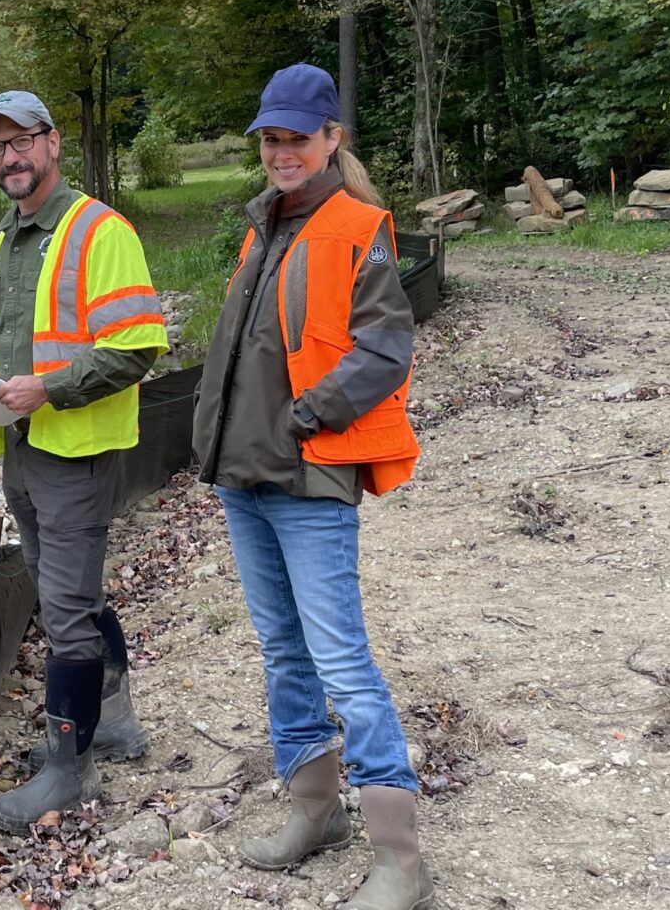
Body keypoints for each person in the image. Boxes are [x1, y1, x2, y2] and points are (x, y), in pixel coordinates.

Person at [192, 63, 433, 909]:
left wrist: (310, 415)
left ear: (332, 139)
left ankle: (400, 859)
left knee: (342, 663)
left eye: (298, 136)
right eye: (271, 137)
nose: (281, 150)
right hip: (242, 479)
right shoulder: (265, 229)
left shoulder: (356, 226)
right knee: (283, 653)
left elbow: (385, 350)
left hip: (305, 477)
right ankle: (315, 810)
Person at [0, 90, 168, 833]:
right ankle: (117, 722)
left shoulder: (100, 230)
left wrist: (51, 389)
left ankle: (70, 768)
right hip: (21, 448)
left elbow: (137, 347)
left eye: (22, 141)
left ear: (53, 143)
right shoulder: (4, 243)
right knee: (75, 594)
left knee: (64, 611)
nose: (11, 157)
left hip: (77, 449)